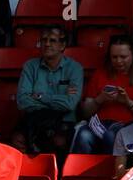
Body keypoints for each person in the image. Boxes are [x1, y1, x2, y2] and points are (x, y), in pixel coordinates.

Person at [12, 24, 82, 155]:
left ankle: (57, 175)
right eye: (44, 40)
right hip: (34, 119)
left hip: (63, 121)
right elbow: (22, 101)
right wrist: (59, 100)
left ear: (62, 45)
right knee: (18, 140)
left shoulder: (74, 69)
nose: (47, 44)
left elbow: (70, 104)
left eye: (52, 40)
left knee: (58, 140)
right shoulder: (30, 66)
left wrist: (39, 96)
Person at [73, 34, 133, 154]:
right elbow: (85, 112)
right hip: (99, 125)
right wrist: (100, 99)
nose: (118, 61)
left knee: (111, 136)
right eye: (114, 57)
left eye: (123, 57)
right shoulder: (100, 74)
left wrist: (127, 102)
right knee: (83, 135)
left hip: (128, 126)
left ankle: (110, 172)